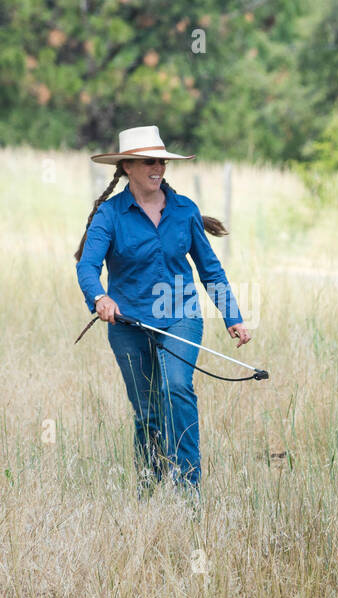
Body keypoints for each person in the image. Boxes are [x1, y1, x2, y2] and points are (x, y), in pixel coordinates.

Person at [74, 125, 251, 494]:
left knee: (177, 389)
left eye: (162, 162)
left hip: (179, 313)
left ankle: (188, 488)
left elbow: (210, 269)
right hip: (127, 321)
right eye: (149, 162)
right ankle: (150, 486)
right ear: (127, 167)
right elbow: (87, 267)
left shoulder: (185, 210)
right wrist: (100, 297)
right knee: (147, 411)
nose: (158, 168)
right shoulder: (110, 215)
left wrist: (232, 316)